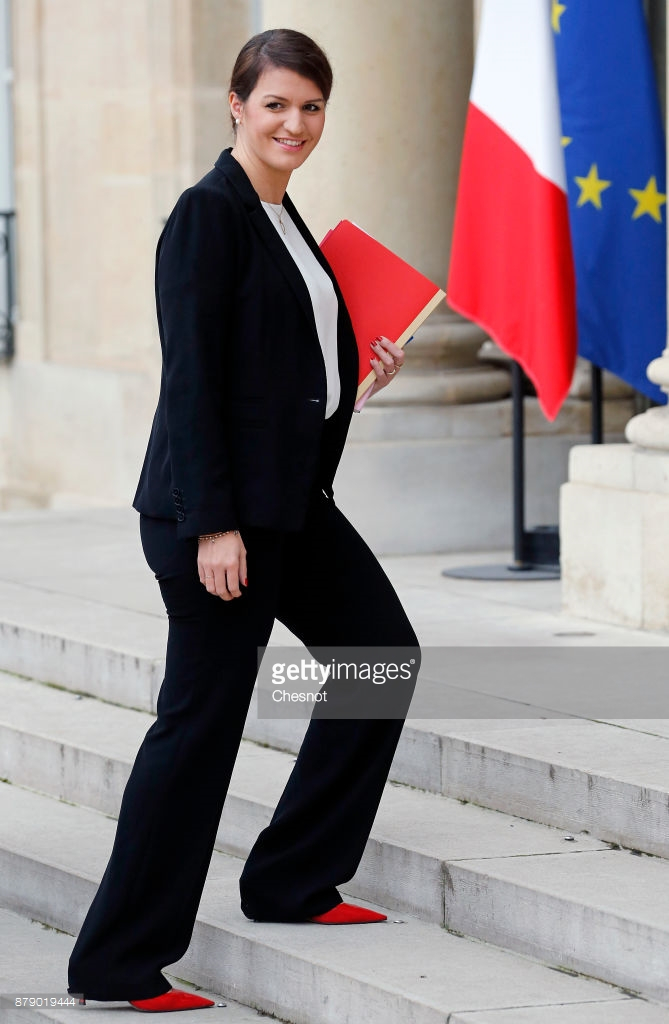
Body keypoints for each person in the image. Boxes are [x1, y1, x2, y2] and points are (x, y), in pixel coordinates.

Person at [67, 28, 421, 1013]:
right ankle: (116, 963)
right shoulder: (207, 214)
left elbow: (277, 366)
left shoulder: (285, 217)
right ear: (236, 105)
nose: (294, 123)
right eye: (276, 104)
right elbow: (191, 380)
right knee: (200, 725)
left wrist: (356, 377)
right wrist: (211, 525)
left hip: (289, 505)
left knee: (378, 656)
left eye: (311, 107)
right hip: (218, 518)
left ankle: (291, 878)